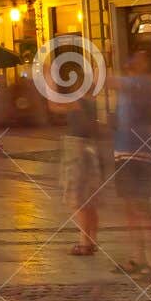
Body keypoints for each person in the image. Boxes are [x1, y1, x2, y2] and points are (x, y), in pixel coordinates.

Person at [112, 51, 151, 279]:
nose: (132, 58)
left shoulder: (139, 83)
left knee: (141, 208)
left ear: (146, 65)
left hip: (137, 153)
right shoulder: (133, 82)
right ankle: (137, 259)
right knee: (130, 208)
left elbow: (102, 81)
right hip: (124, 152)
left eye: (140, 57)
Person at [61, 96, 108, 255]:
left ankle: (84, 243)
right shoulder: (90, 98)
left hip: (79, 148)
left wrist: (47, 79)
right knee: (90, 200)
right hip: (91, 146)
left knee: (79, 199)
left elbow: (54, 105)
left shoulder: (77, 100)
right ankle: (91, 240)